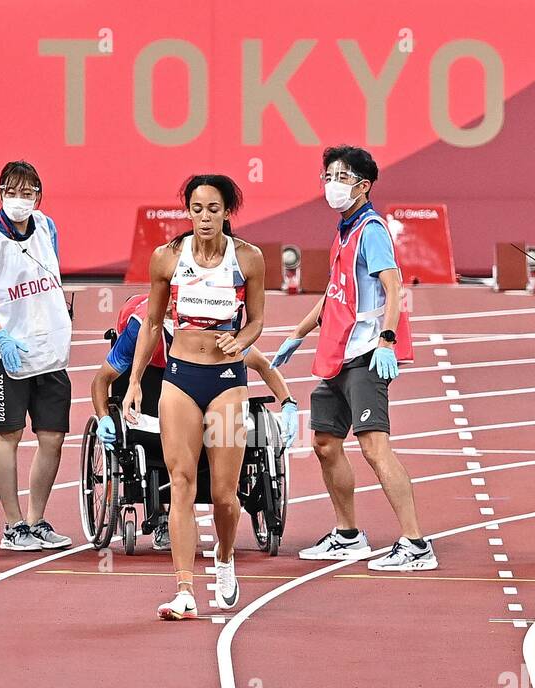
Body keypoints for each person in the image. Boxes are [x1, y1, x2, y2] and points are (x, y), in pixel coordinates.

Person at [272, 145, 437, 572]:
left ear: (363, 186)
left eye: (341, 177)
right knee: (326, 444)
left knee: (374, 447)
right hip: (338, 353)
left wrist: (386, 340)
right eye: (328, 176)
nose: (332, 184)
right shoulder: (344, 230)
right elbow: (335, 293)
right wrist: (296, 334)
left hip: (366, 354)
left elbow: (394, 288)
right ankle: (348, 535)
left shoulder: (372, 231)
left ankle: (416, 543)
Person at [124, 175, 266, 620]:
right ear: (187, 211)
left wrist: (240, 341)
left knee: (224, 493)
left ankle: (223, 558)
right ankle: (184, 590)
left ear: (228, 212)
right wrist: (132, 382)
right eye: (197, 209)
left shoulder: (249, 258)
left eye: (214, 209)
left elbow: (257, 320)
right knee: (180, 483)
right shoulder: (167, 258)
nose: (205, 217)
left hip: (226, 381)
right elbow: (150, 323)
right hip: (180, 380)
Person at [91, 293, 300, 552]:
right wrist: (103, 419)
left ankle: (228, 547)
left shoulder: (209, 326)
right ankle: (167, 528)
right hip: (154, 420)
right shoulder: (139, 329)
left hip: (213, 413)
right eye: (165, 294)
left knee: (242, 433)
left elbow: (263, 365)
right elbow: (101, 380)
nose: (170, 302)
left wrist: (288, 402)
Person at [0, 161, 72, 551]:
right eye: (13, 192)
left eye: (28, 193)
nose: (20, 200)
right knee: (9, 434)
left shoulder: (47, 228)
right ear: (0, 193)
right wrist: (0, 335)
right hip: (6, 351)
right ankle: (13, 527)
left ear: (39, 196)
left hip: (48, 351)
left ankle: (36, 520)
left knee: (53, 436)